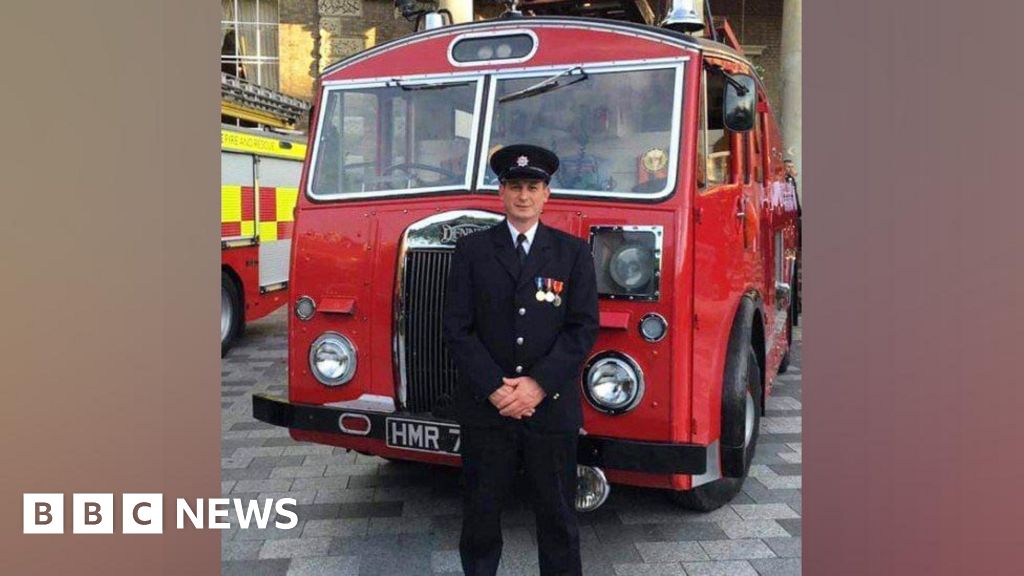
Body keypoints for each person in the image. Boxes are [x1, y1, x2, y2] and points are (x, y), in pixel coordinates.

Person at [443, 144, 599, 576]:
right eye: (515, 186)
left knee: (558, 518)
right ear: (501, 192)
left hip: (549, 409)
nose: (524, 196)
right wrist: (495, 388)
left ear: (547, 194)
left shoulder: (572, 253)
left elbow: (581, 327)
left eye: (533, 187)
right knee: (480, 517)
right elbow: (457, 327)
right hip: (486, 410)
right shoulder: (472, 251)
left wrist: (536, 385)